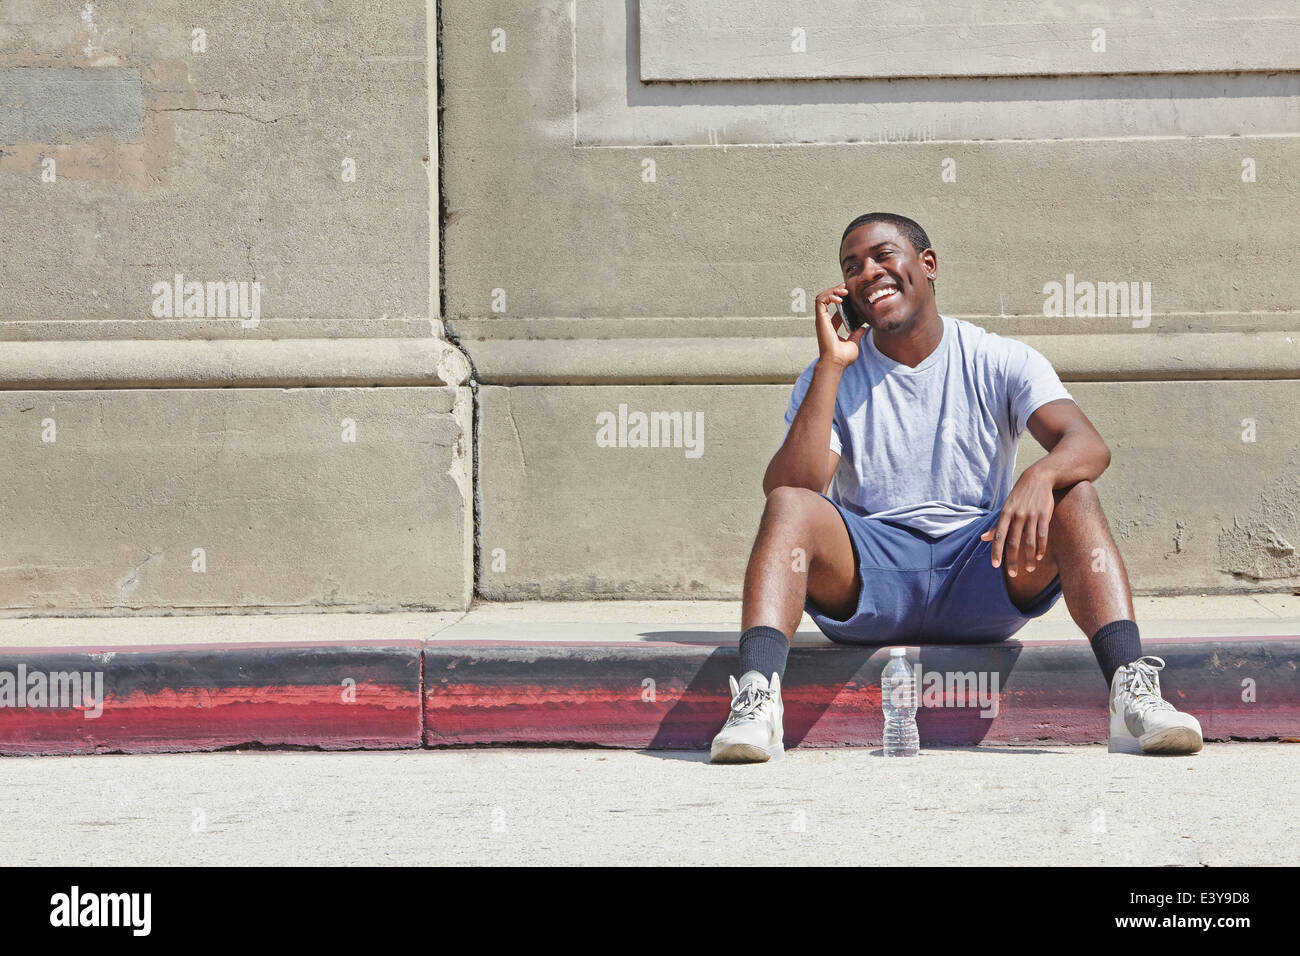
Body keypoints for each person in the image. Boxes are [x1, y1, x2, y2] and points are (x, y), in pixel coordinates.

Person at [710, 213, 1202, 762]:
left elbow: (1088, 444)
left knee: (1075, 492)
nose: (867, 273)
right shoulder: (830, 373)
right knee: (788, 505)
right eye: (852, 267)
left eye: (881, 255)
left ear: (928, 264)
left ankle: (1133, 695)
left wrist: (1039, 475)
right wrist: (832, 366)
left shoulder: (998, 357)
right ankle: (758, 700)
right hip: (871, 578)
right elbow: (794, 488)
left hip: (982, 568)